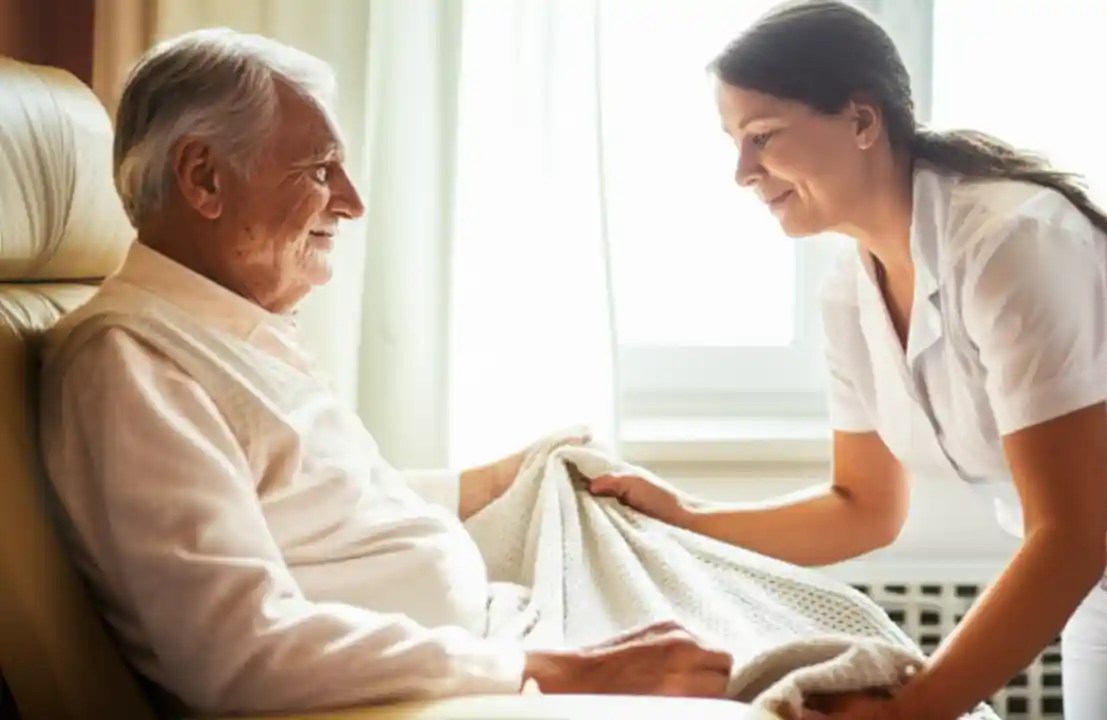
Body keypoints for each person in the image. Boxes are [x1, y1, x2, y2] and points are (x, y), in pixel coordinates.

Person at [587, 2, 1107, 718]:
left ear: (862, 121)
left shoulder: (1011, 239)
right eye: (735, 142)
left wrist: (908, 711)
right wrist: (684, 517)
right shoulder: (849, 293)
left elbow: (1067, 538)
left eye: (762, 136)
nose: (742, 172)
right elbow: (862, 509)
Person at [38, 29, 731, 716]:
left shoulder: (228, 328)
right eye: (320, 169)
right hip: (474, 677)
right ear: (204, 177)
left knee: (728, 603)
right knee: (763, 669)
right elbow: (238, 648)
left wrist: (492, 481)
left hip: (501, 628)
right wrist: (563, 673)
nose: (351, 202)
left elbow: (316, 506)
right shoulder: (131, 363)